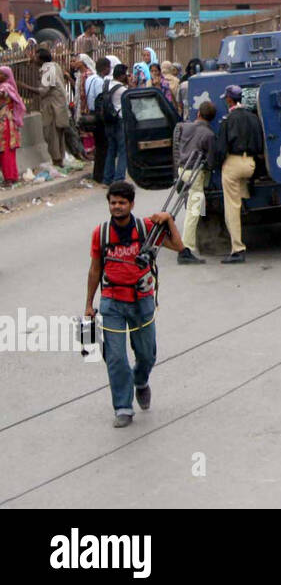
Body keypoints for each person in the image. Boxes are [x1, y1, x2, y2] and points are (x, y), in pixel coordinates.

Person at [84, 180, 184, 427]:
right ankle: (123, 407)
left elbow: (178, 246)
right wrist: (88, 304)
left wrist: (168, 219)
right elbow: (95, 269)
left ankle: (140, 381)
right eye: (113, 203)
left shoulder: (146, 228)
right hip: (112, 302)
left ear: (131, 204)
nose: (117, 207)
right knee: (116, 358)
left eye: (122, 203)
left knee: (147, 355)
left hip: (141, 302)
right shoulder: (101, 233)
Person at [207, 84, 263, 264]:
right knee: (240, 191)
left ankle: (237, 249)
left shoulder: (228, 120)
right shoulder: (254, 118)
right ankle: (244, 199)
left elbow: (221, 148)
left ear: (230, 100)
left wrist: (214, 165)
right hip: (250, 163)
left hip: (233, 163)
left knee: (231, 207)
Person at [172, 100, 216, 265]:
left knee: (196, 204)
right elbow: (211, 161)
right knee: (193, 210)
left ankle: (202, 231)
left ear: (198, 113)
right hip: (196, 173)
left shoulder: (185, 127)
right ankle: (186, 248)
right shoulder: (209, 135)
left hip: (182, 169)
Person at [35, 48, 70, 166]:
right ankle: (59, 159)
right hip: (58, 105)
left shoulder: (48, 69)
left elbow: (43, 91)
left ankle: (57, 160)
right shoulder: (55, 66)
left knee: (51, 134)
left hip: (52, 107)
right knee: (58, 135)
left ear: (41, 60)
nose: (34, 59)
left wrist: (24, 87)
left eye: (36, 57)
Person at [101, 64, 130, 184]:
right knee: (123, 150)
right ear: (122, 75)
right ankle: (119, 178)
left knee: (111, 150)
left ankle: (107, 179)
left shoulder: (106, 84)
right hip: (119, 120)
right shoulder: (123, 90)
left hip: (108, 120)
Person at [0, 66, 24, 185]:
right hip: (7, 123)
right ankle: (12, 176)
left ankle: (9, 178)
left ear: (5, 76)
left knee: (5, 151)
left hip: (5, 124)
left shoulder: (5, 88)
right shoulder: (9, 87)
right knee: (8, 150)